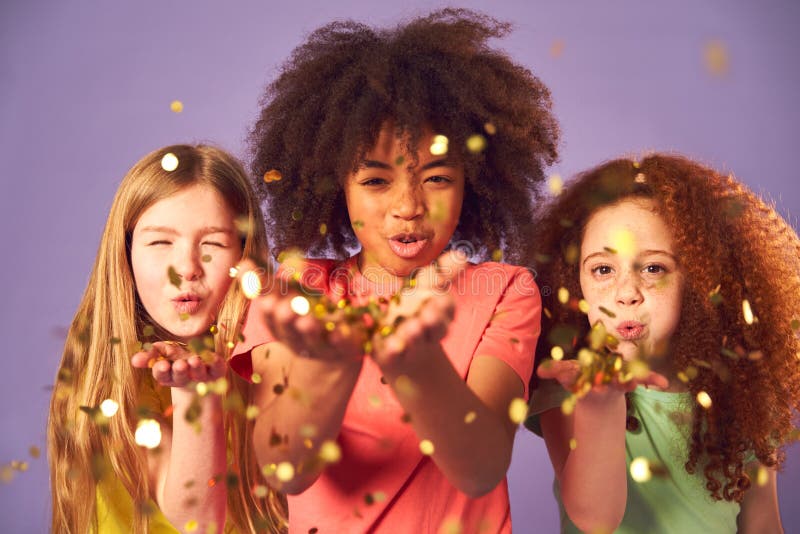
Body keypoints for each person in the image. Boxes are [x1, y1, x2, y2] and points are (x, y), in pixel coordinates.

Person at [236, 8, 559, 532]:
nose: (408, 206)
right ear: (335, 187)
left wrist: (414, 363)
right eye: (376, 181)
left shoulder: (503, 290)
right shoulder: (299, 289)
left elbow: (480, 469)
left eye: (435, 177)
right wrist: (331, 365)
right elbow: (284, 467)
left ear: (472, 182)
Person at [526, 153, 800, 533]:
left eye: (653, 268)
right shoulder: (570, 385)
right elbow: (593, 517)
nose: (626, 294)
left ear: (699, 281)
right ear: (575, 284)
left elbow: (764, 525)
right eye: (603, 270)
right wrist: (600, 406)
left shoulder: (741, 394)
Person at [47, 145, 285, 533]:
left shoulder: (271, 364)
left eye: (213, 245)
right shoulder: (109, 389)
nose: (186, 269)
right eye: (160, 243)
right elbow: (198, 521)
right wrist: (195, 392)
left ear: (244, 257)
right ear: (126, 255)